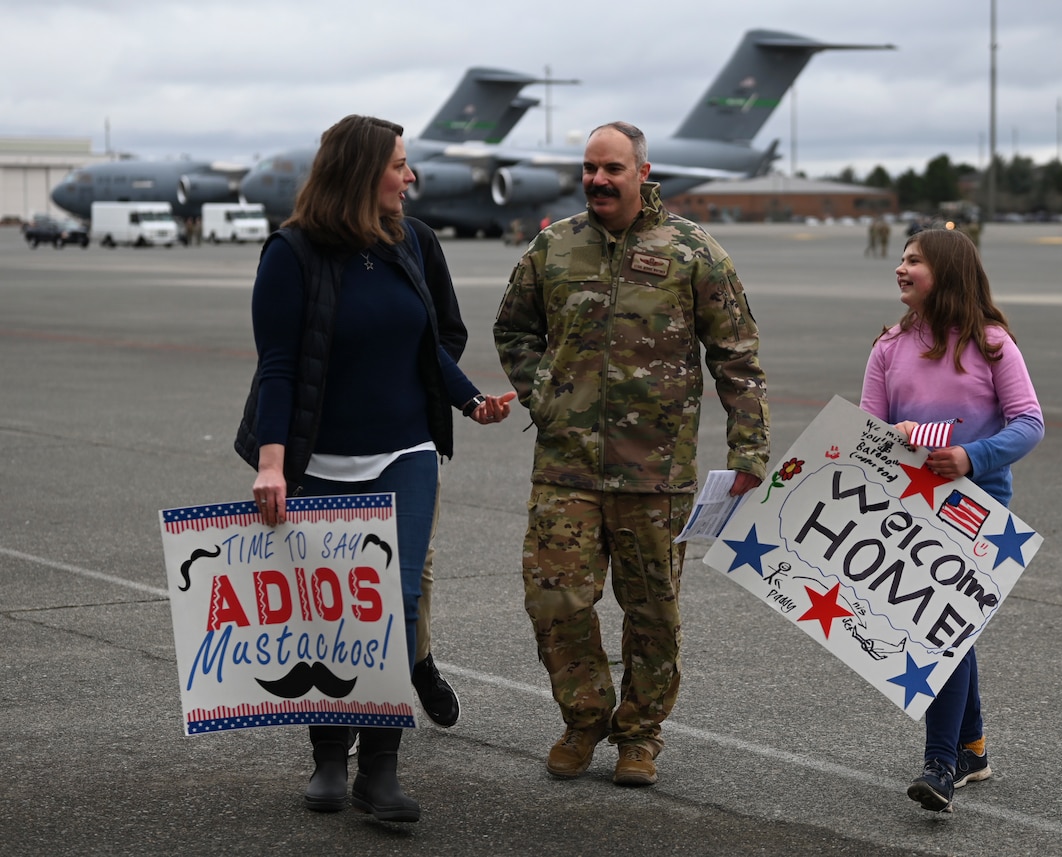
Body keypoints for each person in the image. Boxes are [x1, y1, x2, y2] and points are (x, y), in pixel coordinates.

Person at [236, 114, 515, 823]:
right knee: (330, 609)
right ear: (363, 171)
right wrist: (272, 464)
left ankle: (380, 770)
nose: (411, 176)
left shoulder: (414, 241)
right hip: (318, 458)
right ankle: (330, 756)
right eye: (398, 164)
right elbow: (278, 367)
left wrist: (468, 399)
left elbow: (431, 342)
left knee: (395, 606)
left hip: (406, 451)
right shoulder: (292, 252)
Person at [493, 121, 769, 788]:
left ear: (643, 173)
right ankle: (584, 717)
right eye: (589, 168)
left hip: (656, 473)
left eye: (612, 168)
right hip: (566, 466)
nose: (597, 180)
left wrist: (749, 445)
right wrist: (547, 397)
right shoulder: (553, 249)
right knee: (555, 597)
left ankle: (640, 734)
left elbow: (736, 355)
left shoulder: (693, 251)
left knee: (653, 613)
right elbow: (513, 326)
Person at [859, 227, 1044, 812]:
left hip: (976, 508)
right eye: (901, 259)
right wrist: (895, 437)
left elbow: (1028, 423)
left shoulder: (992, 344)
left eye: (914, 260)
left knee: (940, 631)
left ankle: (940, 763)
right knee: (950, 626)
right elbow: (865, 431)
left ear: (949, 272)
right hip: (908, 505)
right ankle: (973, 749)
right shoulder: (888, 345)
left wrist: (971, 456)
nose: (901, 267)